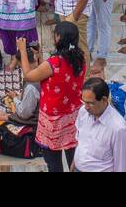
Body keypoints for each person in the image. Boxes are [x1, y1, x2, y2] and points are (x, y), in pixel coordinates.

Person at [19, 22, 86, 173]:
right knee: (74, 158)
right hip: (73, 117)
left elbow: (29, 76)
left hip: (53, 120)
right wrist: (40, 57)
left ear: (58, 37)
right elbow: (56, 75)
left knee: (54, 164)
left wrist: (22, 51)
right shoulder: (80, 58)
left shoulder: (54, 62)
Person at [74, 77, 126, 172]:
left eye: (90, 103)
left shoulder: (118, 129)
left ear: (104, 100)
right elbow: (80, 141)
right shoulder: (83, 112)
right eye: (84, 102)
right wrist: (74, 163)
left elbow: (121, 167)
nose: (86, 107)